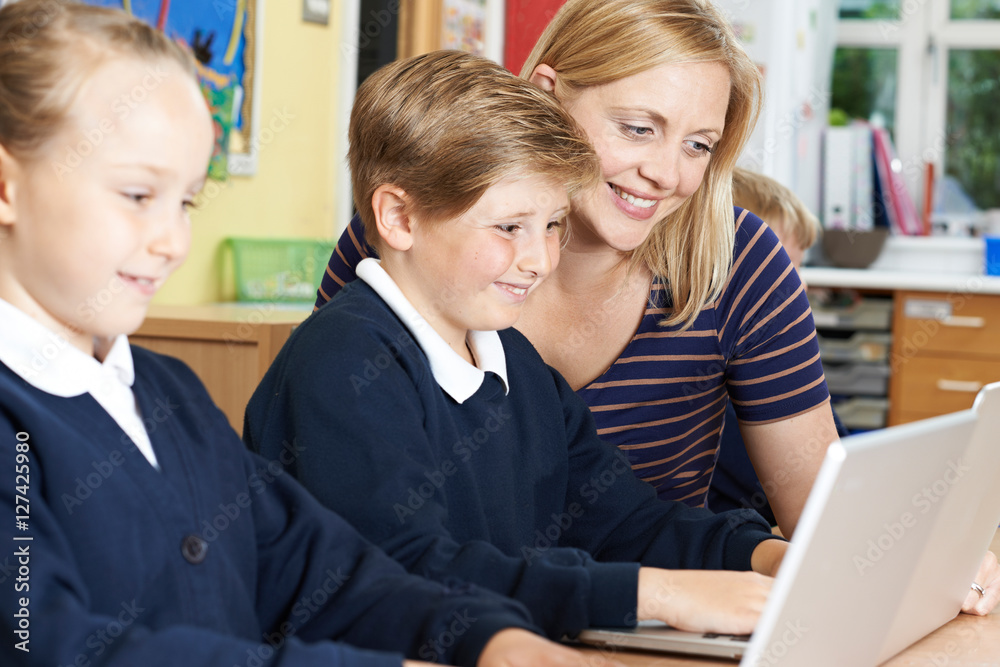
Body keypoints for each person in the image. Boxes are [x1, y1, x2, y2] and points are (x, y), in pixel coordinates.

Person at [0, 3, 606, 666]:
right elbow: (48, 645)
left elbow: (319, 569)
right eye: (138, 195)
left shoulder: (168, 393)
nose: (173, 241)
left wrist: (486, 637)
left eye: (187, 202)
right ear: (7, 186)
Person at [245, 48, 790, 645]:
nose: (540, 260)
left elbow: (623, 521)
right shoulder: (344, 362)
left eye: (553, 225)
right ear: (399, 217)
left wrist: (761, 555)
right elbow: (404, 574)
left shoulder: (514, 363)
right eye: (509, 227)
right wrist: (651, 595)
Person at [315, 0, 839, 538]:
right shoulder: (413, 242)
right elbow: (342, 513)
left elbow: (822, 527)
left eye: (698, 145)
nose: (666, 175)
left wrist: (750, 557)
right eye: (638, 128)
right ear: (548, 96)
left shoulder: (741, 262)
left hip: (661, 584)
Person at [708, 167, 849, 524]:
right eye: (781, 269)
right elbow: (824, 489)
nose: (800, 286)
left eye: (798, 268)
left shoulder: (780, 365)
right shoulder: (723, 401)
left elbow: (841, 454)